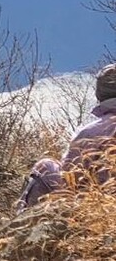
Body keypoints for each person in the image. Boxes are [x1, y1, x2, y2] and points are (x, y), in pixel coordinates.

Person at [17, 64, 116, 210]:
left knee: (45, 166)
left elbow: (69, 175)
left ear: (99, 95)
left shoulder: (90, 133)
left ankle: (22, 223)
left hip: (95, 205)